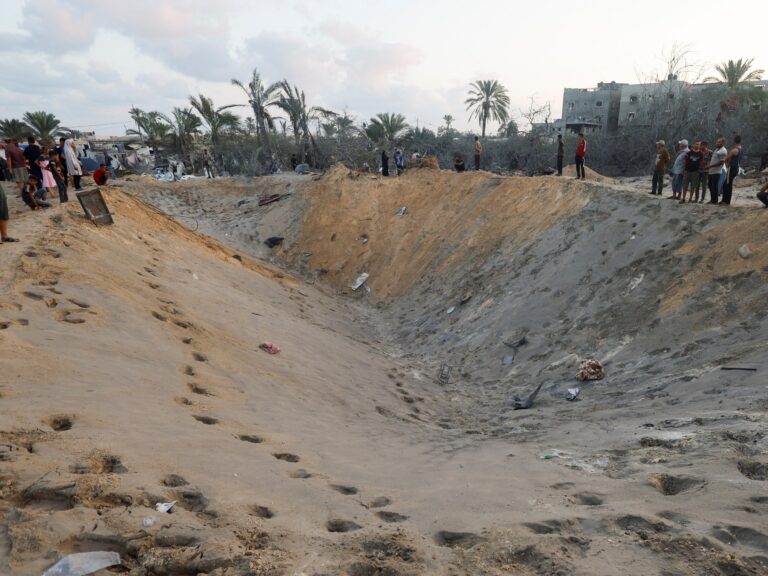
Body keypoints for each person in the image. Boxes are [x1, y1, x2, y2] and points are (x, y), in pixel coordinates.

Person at [721, 135, 743, 205]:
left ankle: (725, 201)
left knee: (726, 184)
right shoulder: (741, 148)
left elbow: (727, 159)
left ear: (734, 141)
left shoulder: (734, 150)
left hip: (732, 168)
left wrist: (723, 160)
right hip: (736, 167)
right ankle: (726, 201)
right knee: (728, 184)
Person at [707, 136, 727, 204]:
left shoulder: (723, 151)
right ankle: (712, 199)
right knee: (710, 185)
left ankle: (714, 201)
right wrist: (711, 153)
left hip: (717, 171)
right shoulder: (717, 149)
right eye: (717, 142)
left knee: (714, 186)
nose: (717, 143)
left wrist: (710, 166)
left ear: (723, 143)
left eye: (719, 142)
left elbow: (721, 162)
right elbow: (715, 157)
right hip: (712, 171)